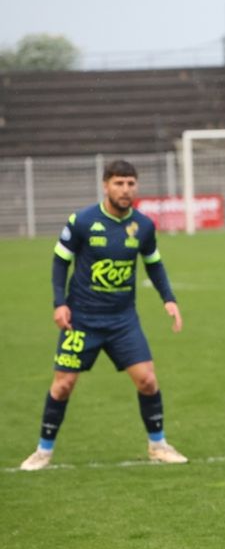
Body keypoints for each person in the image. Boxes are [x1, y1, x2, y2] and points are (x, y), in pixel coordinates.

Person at [20, 160, 188, 471]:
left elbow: (154, 263)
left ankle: (158, 445)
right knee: (62, 385)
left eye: (130, 183)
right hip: (81, 319)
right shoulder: (82, 221)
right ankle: (43, 451)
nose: (125, 189)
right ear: (105, 185)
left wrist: (169, 299)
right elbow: (60, 263)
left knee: (148, 381)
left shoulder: (143, 226)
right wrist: (60, 303)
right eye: (119, 183)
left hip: (123, 321)